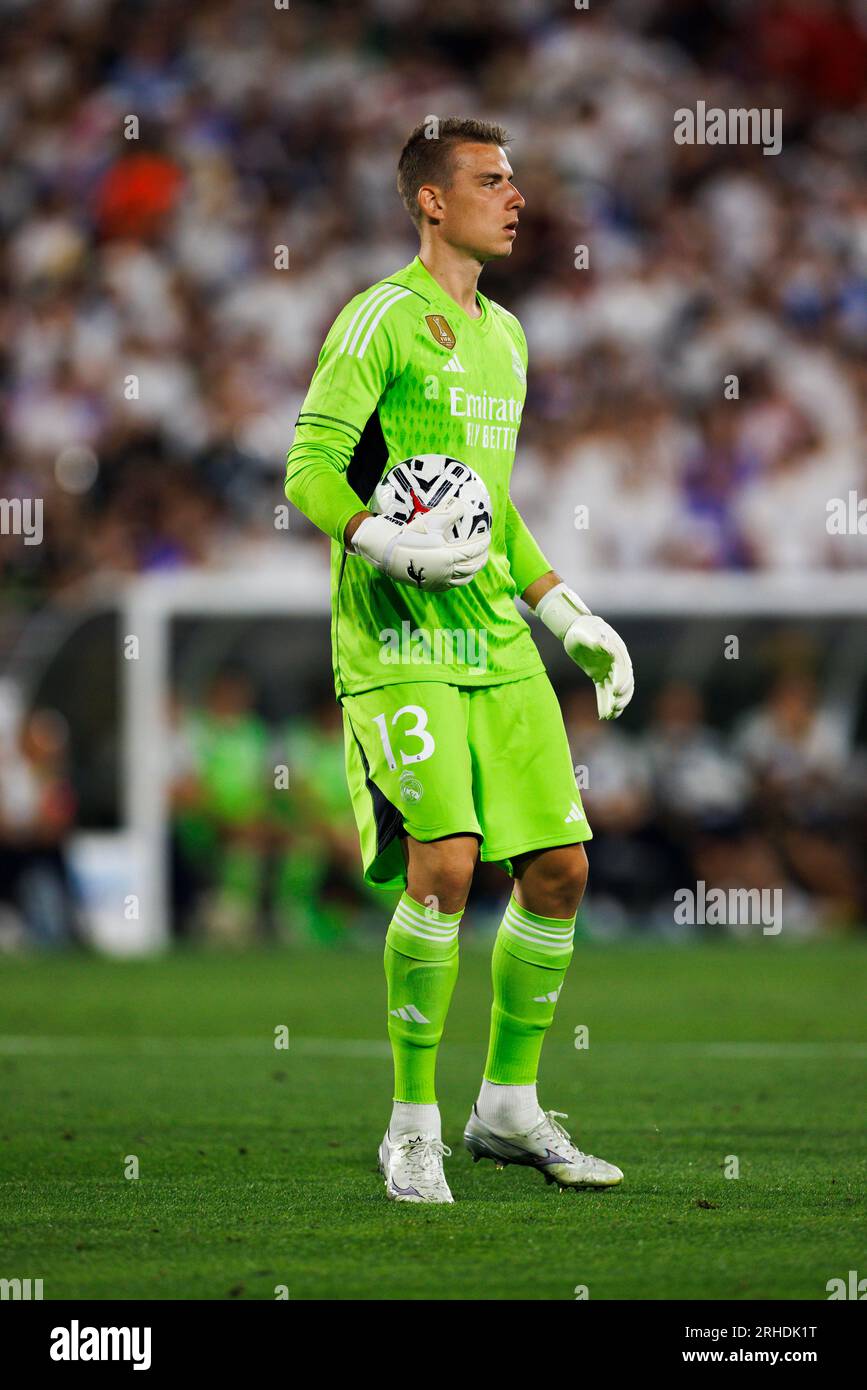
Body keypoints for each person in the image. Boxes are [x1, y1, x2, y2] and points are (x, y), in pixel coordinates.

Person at [284, 118, 634, 1204]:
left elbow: (492, 508)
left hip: (495, 636)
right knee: (445, 860)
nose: (516, 195)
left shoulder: (511, 338)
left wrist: (567, 611)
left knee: (562, 869)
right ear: (431, 201)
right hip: (396, 641)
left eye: (516, 179)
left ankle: (509, 1108)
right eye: (491, 180)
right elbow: (307, 471)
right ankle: (411, 1124)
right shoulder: (380, 317)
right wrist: (378, 538)